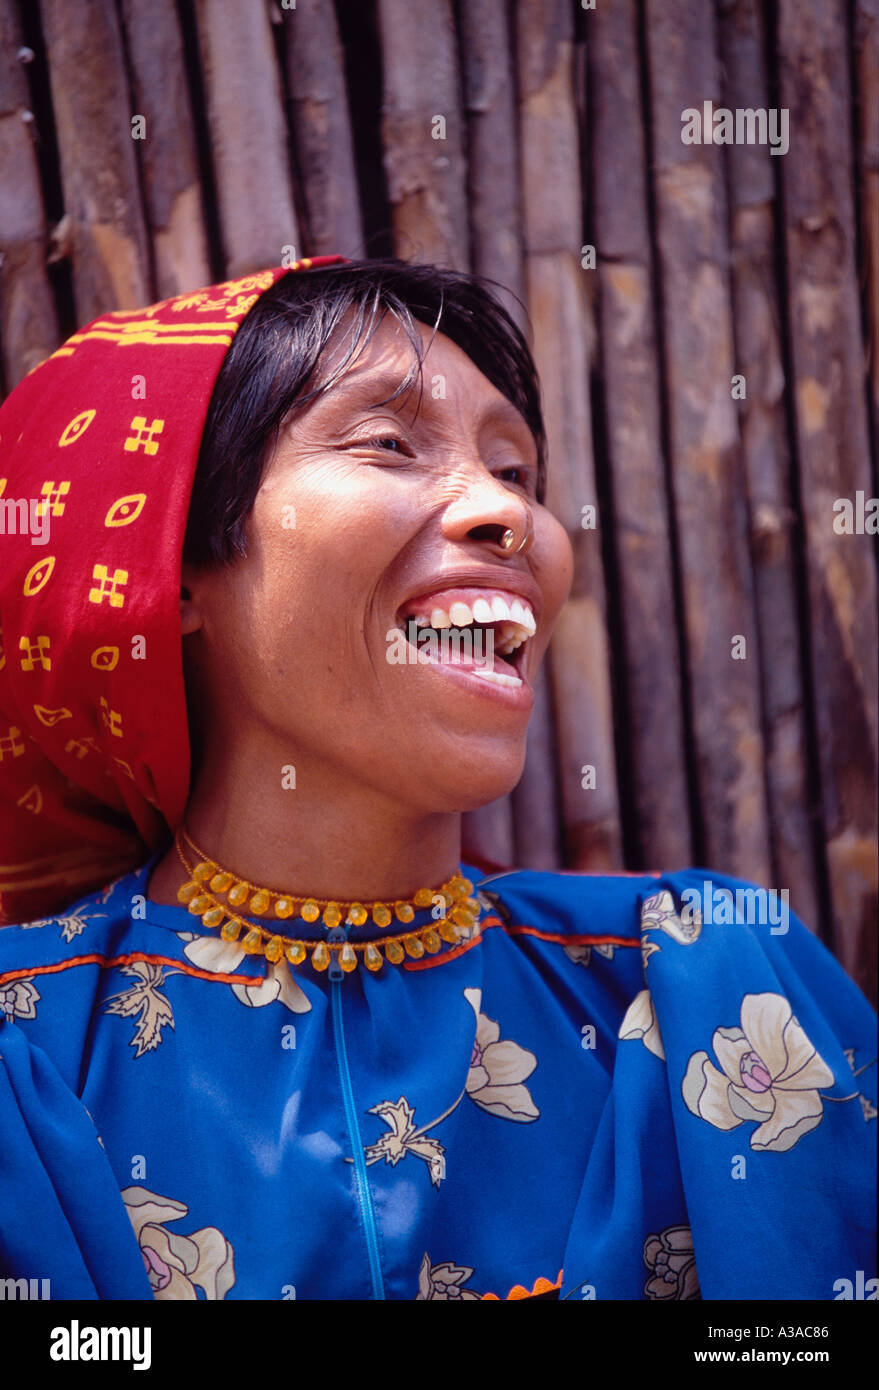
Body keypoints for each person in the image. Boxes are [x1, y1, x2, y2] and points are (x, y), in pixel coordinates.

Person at [0, 258, 874, 1302]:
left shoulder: (701, 983)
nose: (507, 515)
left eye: (516, 471)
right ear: (172, 563)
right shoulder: (28, 1053)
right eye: (388, 443)